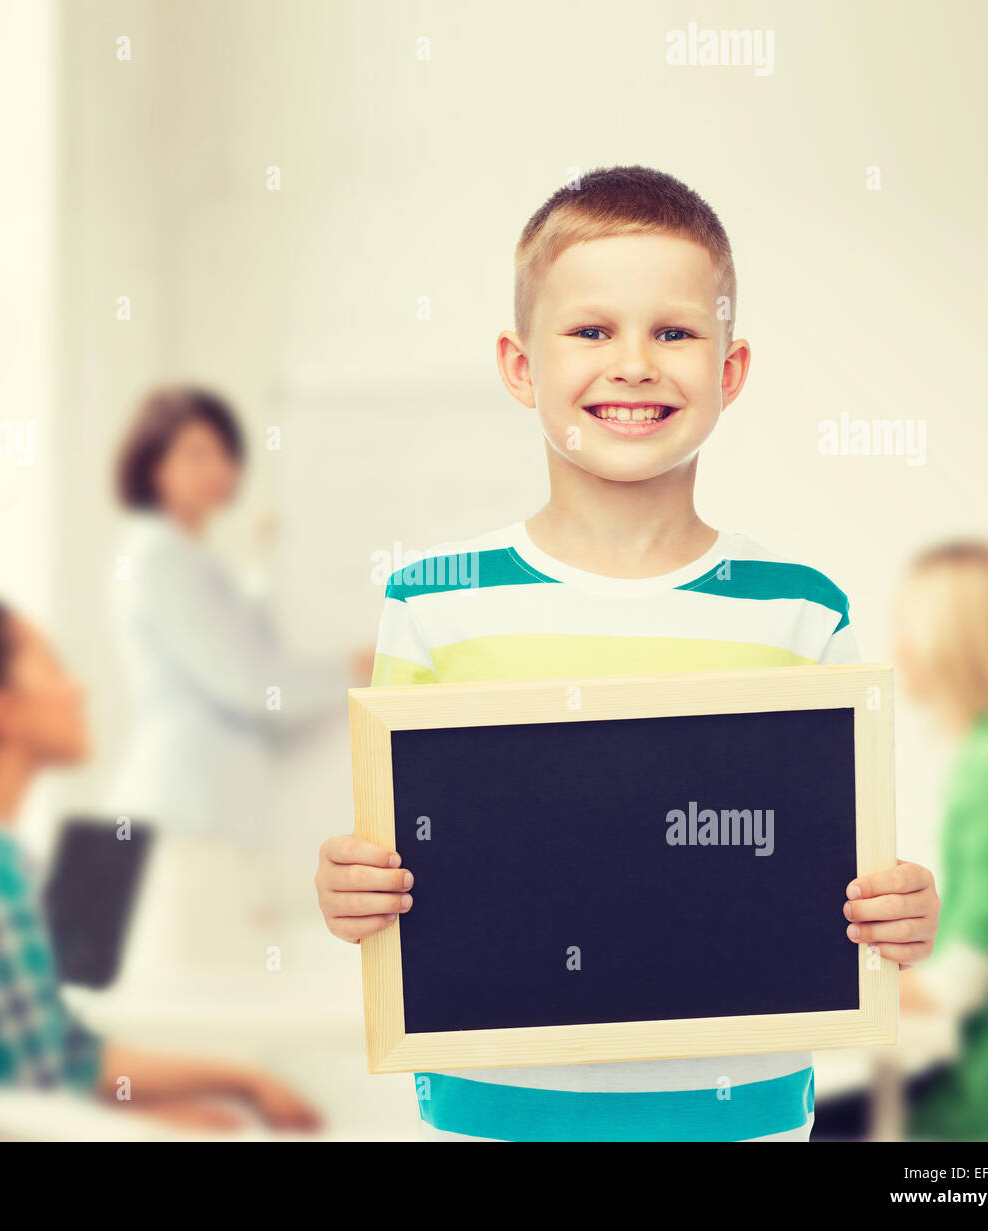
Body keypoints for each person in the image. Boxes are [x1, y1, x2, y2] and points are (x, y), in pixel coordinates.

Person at [313, 165, 942, 1142]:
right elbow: (392, 866)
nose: (635, 364)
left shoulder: (801, 612)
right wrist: (347, 888)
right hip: (496, 1111)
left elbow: (833, 861)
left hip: (742, 1112)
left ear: (728, 373)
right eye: (592, 330)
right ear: (521, 368)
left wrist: (899, 908)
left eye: (676, 332)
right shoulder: (432, 604)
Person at [0, 594, 319, 1133]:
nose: (78, 688)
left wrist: (240, 1080)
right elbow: (21, 1116)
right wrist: (164, 1127)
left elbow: (60, 1058)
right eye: (51, 667)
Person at [820, 541, 988, 1140]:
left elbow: (965, 976)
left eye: (914, 630)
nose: (899, 650)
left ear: (962, 647)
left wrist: (833, 995)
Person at [107, 385, 372, 843]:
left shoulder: (186, 556)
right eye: (196, 454)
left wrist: (264, 563)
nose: (219, 468)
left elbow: (237, 640)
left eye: (226, 454)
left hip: (202, 811)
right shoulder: (160, 556)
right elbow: (246, 678)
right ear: (153, 463)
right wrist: (351, 669)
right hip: (183, 811)